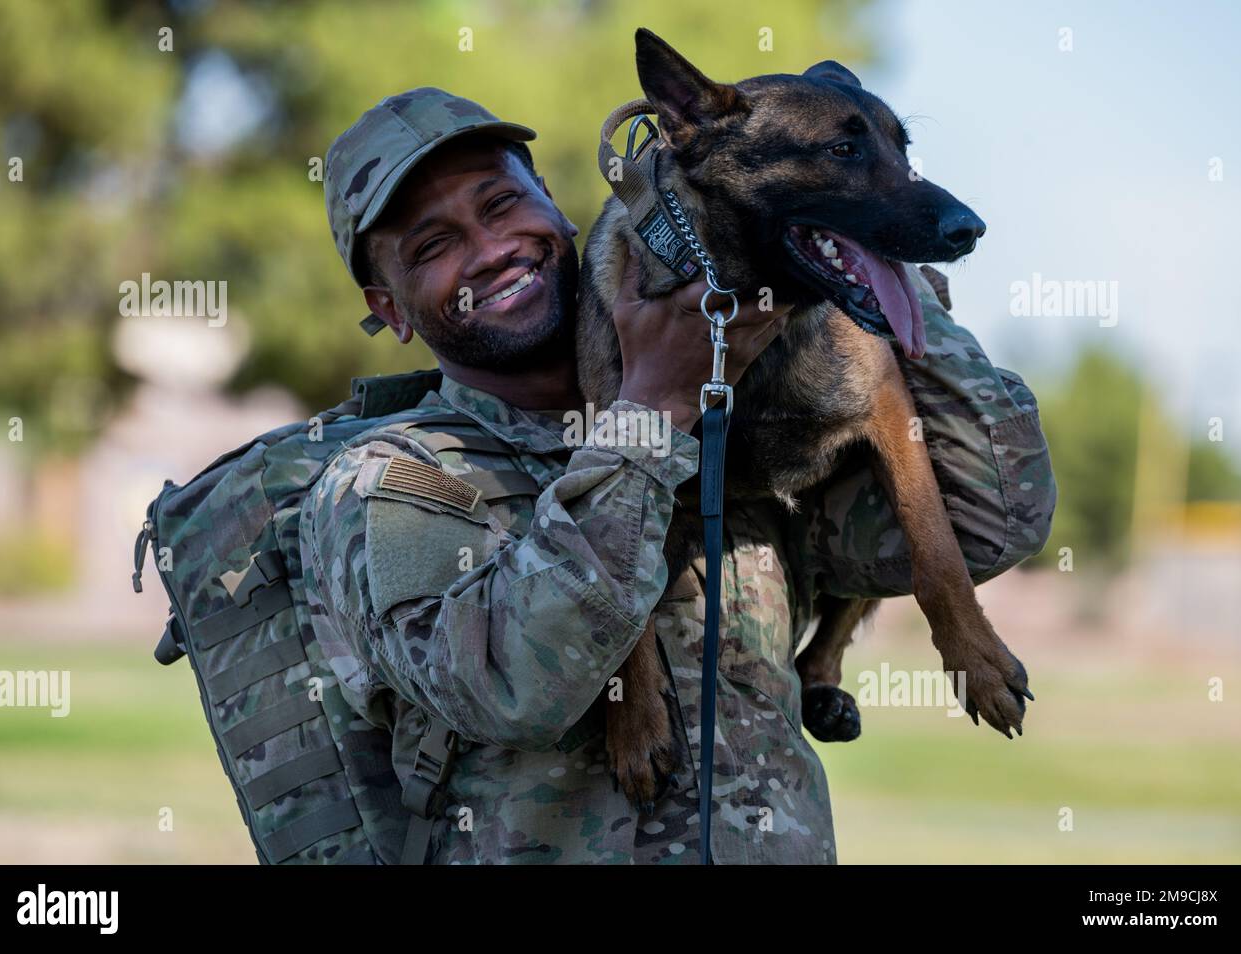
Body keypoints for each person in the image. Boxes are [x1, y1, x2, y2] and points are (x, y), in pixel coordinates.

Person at [300, 88, 1055, 864]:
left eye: (501, 204)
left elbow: (996, 516)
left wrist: (869, 272)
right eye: (433, 246)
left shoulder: (750, 412)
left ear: (556, 208)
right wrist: (650, 413)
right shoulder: (389, 481)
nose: (491, 249)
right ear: (387, 308)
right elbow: (509, 687)